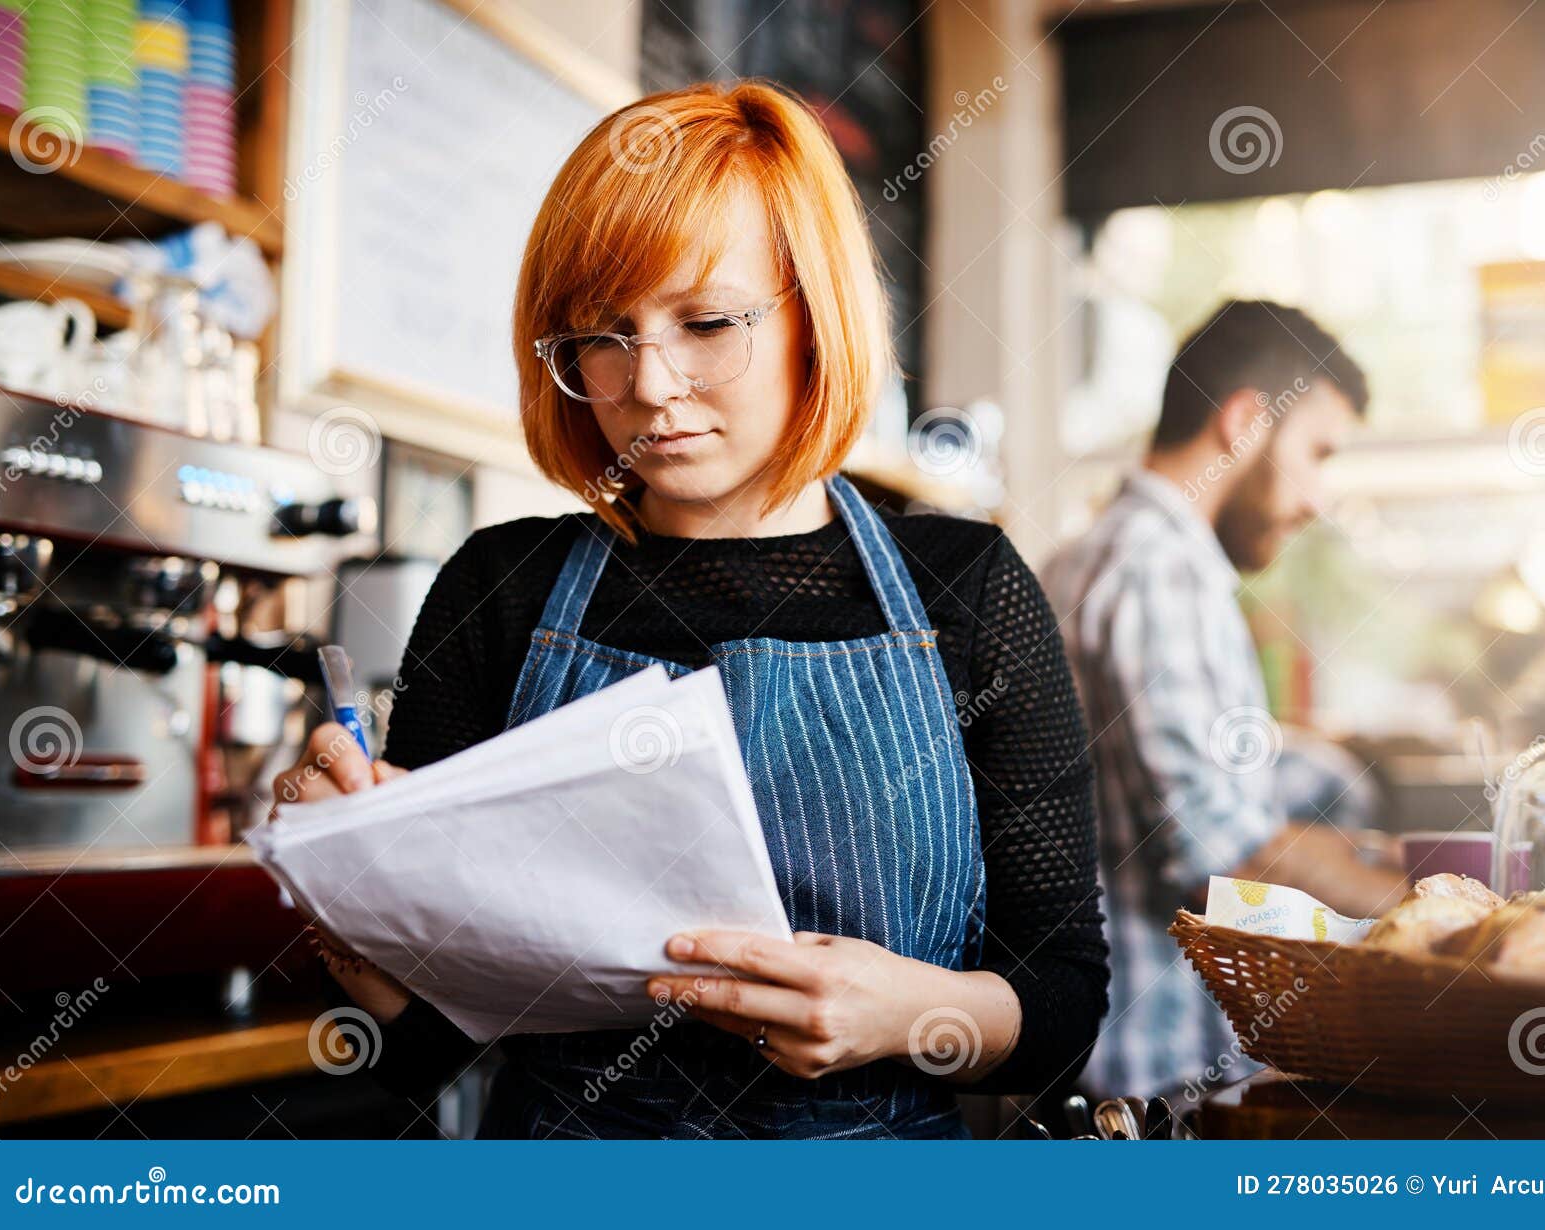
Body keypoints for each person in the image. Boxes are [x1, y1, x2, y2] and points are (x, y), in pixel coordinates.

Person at [271, 79, 1108, 1140]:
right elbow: (436, 1044)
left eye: (707, 322)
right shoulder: (500, 590)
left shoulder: (968, 589)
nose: (650, 382)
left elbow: (1063, 1002)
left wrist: (909, 1012)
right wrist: (341, 895)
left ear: (817, 313)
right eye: (599, 335)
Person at [1040, 300, 1407, 1106]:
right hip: (1148, 1083)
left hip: (1112, 1074)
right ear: (1245, 421)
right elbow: (1225, 853)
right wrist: (1434, 918)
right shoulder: (1158, 569)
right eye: (1316, 452)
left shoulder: (1092, 554)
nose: (1316, 498)